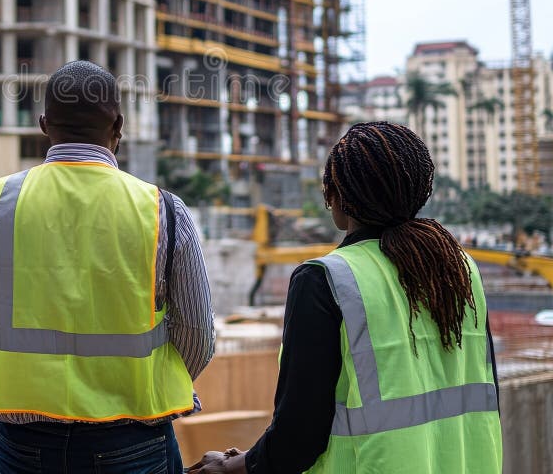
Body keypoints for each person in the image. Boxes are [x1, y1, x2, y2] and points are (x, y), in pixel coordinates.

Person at [0, 60, 215, 473]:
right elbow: (197, 339)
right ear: (118, 127)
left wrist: (14, 391)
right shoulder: (164, 211)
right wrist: (137, 388)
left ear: (44, 125)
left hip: (22, 448)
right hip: (132, 443)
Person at [189, 121, 501, 473]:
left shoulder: (326, 280)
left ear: (336, 194)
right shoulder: (460, 269)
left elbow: (300, 434)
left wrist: (232, 466)